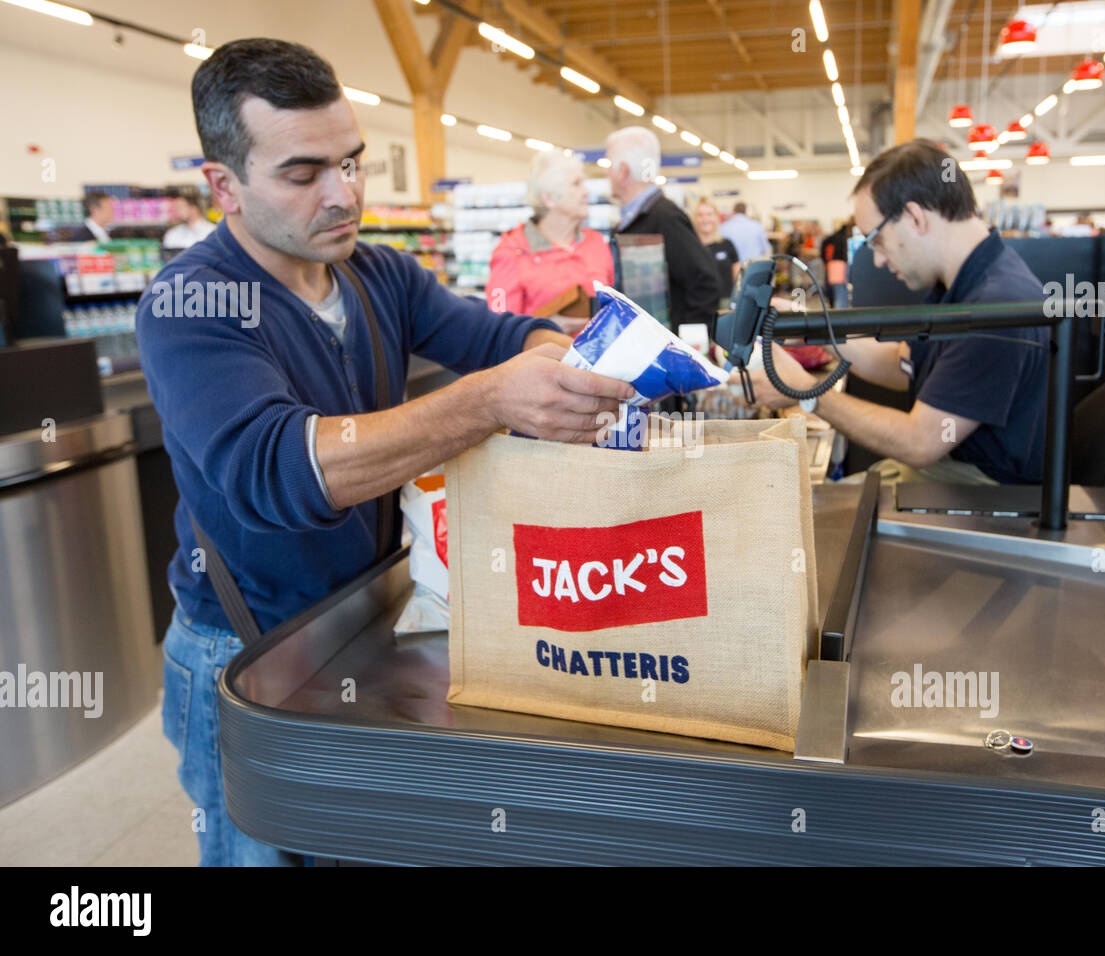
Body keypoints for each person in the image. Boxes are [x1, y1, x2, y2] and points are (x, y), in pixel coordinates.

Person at [136, 38, 633, 866]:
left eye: (354, 162)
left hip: (366, 618)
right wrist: (490, 399)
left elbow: (496, 335)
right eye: (303, 174)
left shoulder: (379, 275)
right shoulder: (192, 303)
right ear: (223, 184)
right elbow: (283, 470)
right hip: (246, 647)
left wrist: (583, 350)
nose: (344, 195)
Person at [744, 139, 1048, 486]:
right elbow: (901, 363)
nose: (877, 259)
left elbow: (921, 442)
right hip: (951, 475)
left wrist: (805, 391)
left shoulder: (996, 306)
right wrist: (810, 326)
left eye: (876, 239)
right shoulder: (964, 283)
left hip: (982, 496)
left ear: (915, 217)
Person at [606, 126, 720, 336]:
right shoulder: (638, 219)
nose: (607, 173)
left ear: (623, 171)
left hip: (664, 350)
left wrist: (684, 345)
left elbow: (704, 281)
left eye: (609, 165)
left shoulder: (664, 218)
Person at [486, 149, 613, 332]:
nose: (586, 192)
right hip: (549, 358)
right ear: (549, 198)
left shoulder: (595, 242)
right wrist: (546, 329)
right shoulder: (512, 254)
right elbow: (500, 331)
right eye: (576, 184)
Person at [692, 198, 739, 302]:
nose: (705, 219)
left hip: (725, 305)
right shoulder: (689, 247)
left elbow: (738, 279)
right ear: (694, 219)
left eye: (709, 214)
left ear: (716, 217)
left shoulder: (727, 245)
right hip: (698, 306)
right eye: (700, 215)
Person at [820, 219, 851, 308]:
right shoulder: (846, 236)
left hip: (834, 266)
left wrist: (825, 260)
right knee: (841, 295)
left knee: (837, 293)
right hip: (841, 267)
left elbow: (824, 243)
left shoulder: (836, 235)